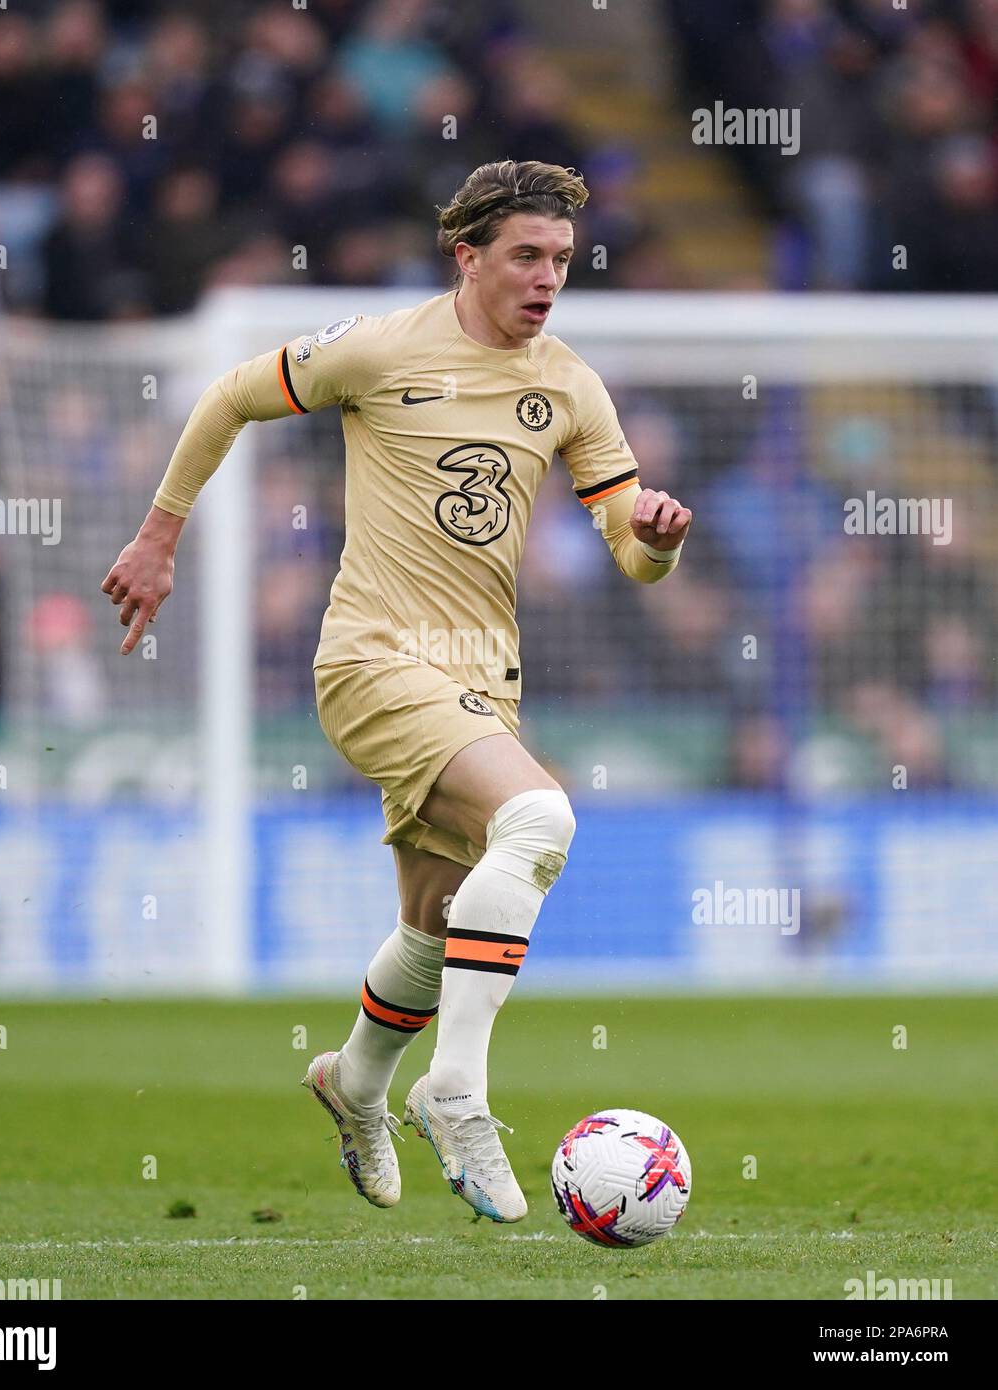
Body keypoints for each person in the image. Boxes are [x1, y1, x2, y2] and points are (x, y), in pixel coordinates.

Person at [101, 159, 692, 1222]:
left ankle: (356, 1082)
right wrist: (159, 534)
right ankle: (454, 1087)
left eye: (560, 259)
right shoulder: (378, 349)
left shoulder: (568, 385)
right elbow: (230, 395)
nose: (547, 276)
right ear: (466, 257)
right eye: (525, 255)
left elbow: (626, 549)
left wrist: (655, 541)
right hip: (372, 658)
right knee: (541, 817)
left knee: (434, 925)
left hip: (480, 680)